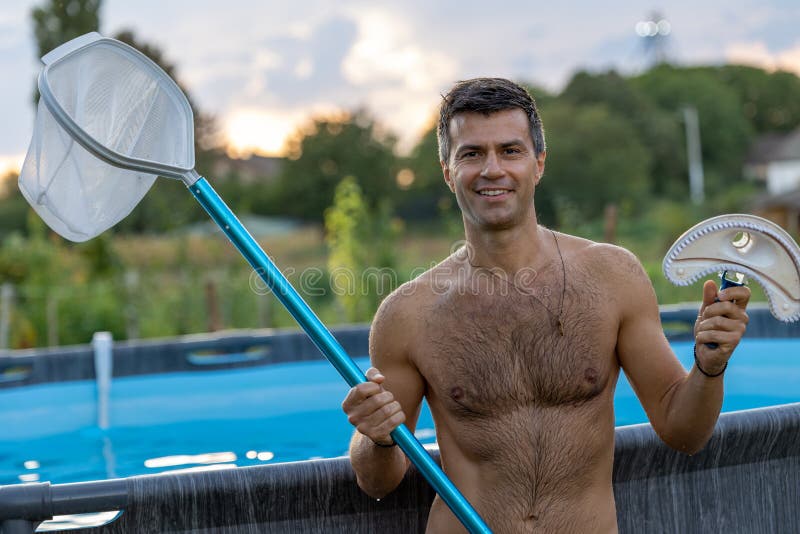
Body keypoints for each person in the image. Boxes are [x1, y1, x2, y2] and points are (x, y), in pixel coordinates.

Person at [341, 77, 750, 533]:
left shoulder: (612, 277)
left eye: (510, 151)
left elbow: (684, 433)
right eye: (471, 154)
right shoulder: (408, 315)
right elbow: (379, 482)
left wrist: (709, 366)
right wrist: (373, 437)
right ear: (447, 171)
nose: (492, 169)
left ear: (538, 164)